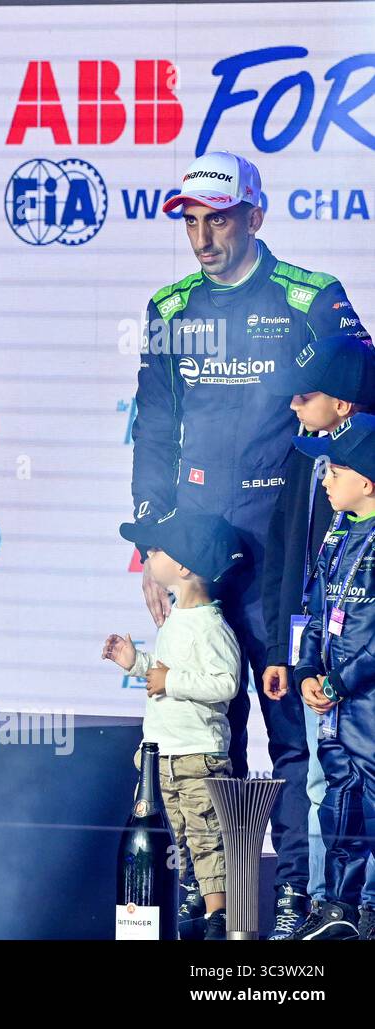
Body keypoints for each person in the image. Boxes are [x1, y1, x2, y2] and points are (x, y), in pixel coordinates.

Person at [131, 150, 370, 938]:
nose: (203, 236)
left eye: (219, 218)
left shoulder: (311, 296)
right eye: (192, 221)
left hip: (287, 554)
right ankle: (222, 905)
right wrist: (153, 549)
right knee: (206, 734)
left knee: (296, 731)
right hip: (200, 557)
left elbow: (359, 402)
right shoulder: (169, 306)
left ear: (255, 215)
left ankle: (303, 897)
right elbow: (154, 431)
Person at [260, 334, 375, 928]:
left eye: (304, 396)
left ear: (345, 404)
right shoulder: (300, 459)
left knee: (363, 788)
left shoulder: (367, 461)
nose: (293, 407)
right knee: (318, 785)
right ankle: (315, 899)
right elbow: (286, 562)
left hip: (358, 675)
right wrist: (291, 654)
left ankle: (358, 904)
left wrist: (343, 676)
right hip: (314, 647)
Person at [103, 509, 245, 942]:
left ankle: (219, 917)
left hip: (197, 754)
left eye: (157, 549)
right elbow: (167, 673)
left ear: (183, 567)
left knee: (207, 837)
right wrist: (137, 664)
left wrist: (170, 680)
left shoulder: (211, 624)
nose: (147, 553)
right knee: (175, 839)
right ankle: (184, 905)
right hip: (160, 755)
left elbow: (226, 683)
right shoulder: (175, 619)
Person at [290, 414, 375, 941]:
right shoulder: (338, 533)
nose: (324, 481)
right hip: (332, 705)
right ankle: (337, 906)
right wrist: (306, 670)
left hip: (363, 700)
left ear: (365, 481)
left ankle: (370, 910)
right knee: (338, 793)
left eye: (334, 472)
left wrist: (342, 682)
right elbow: (318, 611)